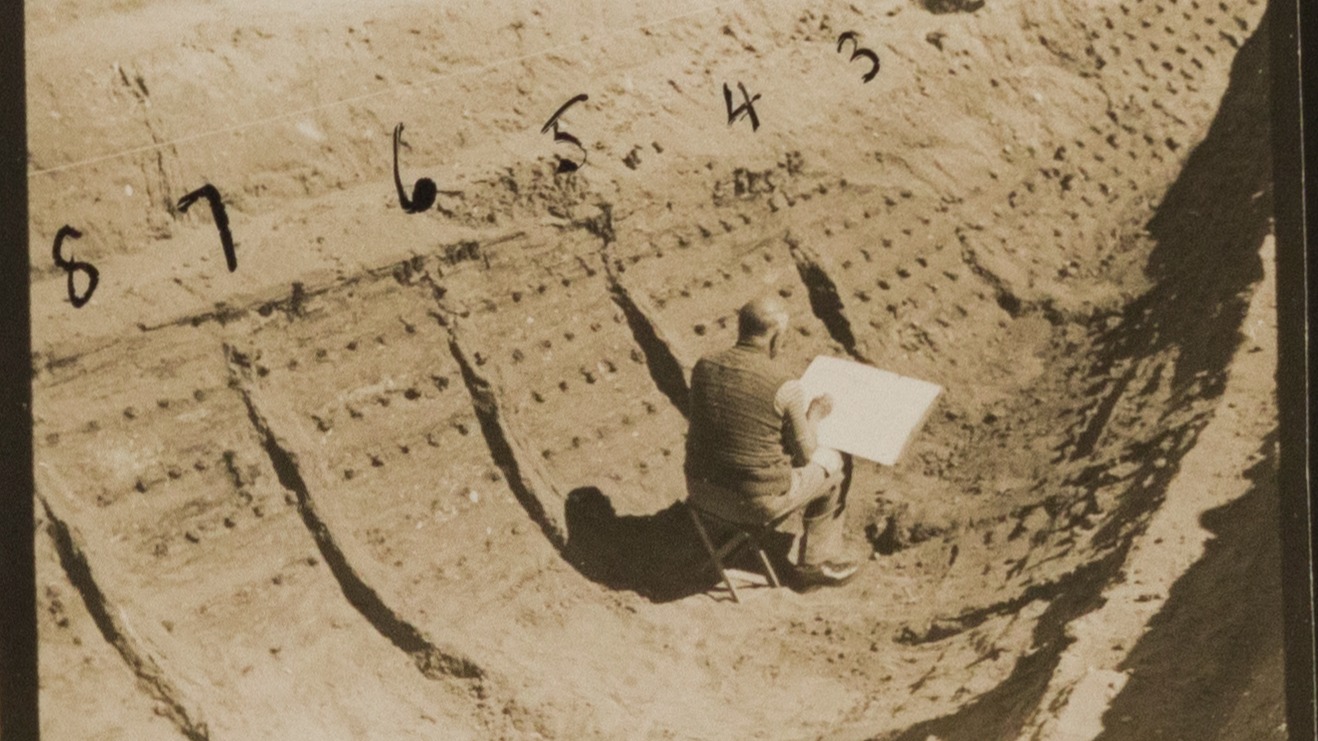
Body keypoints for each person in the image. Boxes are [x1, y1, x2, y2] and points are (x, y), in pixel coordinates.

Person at [684, 296, 860, 589]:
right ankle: (814, 566)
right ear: (776, 336)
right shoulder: (784, 384)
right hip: (754, 504)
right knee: (836, 463)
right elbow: (807, 455)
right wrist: (814, 414)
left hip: (700, 493)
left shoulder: (704, 366)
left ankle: (728, 540)